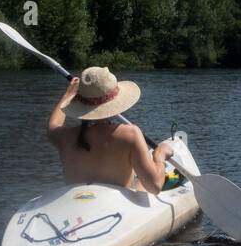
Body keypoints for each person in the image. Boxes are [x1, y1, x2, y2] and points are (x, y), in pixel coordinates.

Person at [47, 66, 175, 192]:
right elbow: (155, 187)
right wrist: (159, 156)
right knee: (141, 180)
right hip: (113, 207)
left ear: (78, 102)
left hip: (77, 204)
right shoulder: (130, 134)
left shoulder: (64, 137)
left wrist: (68, 94)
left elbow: (52, 125)